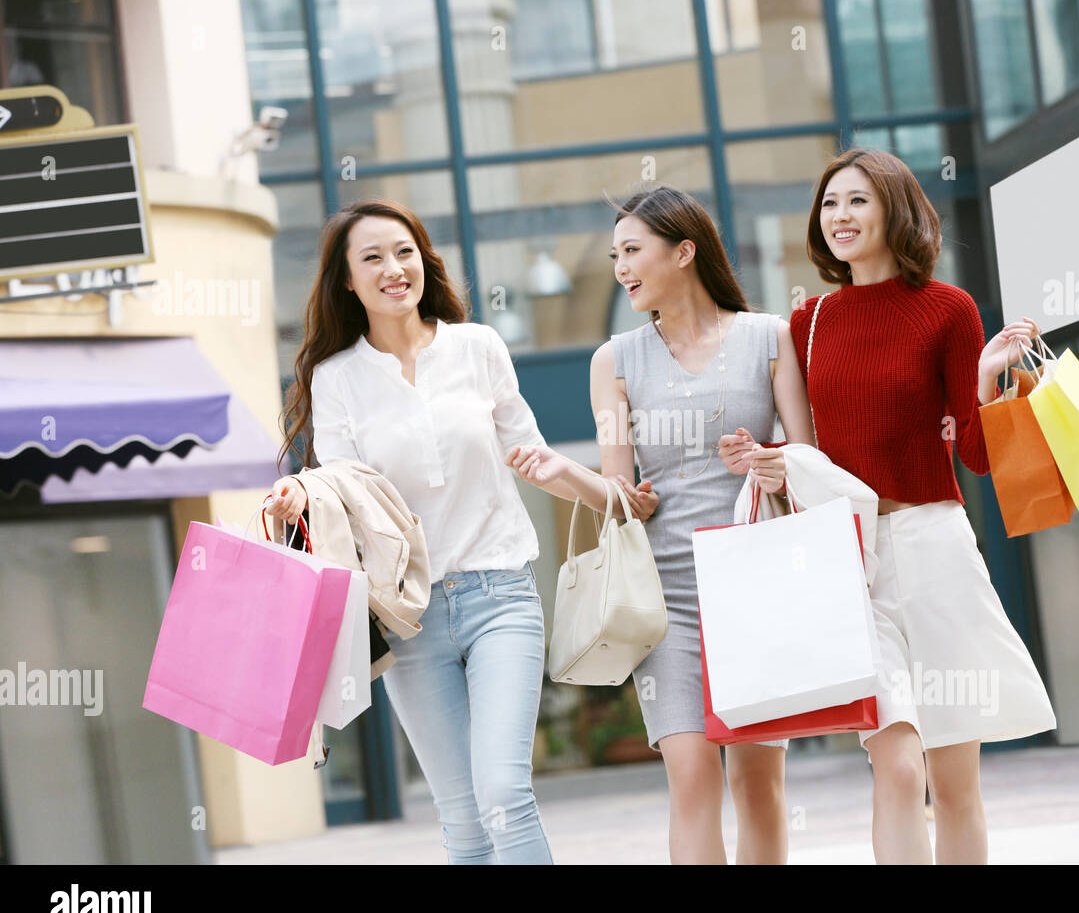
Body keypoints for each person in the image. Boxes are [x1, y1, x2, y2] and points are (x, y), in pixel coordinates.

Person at [506, 185, 815, 864]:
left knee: (759, 782)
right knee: (692, 777)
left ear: (684, 251)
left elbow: (808, 456)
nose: (620, 266)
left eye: (633, 250)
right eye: (614, 253)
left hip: (755, 587)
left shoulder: (769, 337)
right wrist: (560, 474)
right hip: (665, 596)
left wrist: (769, 460)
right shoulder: (613, 360)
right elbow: (619, 493)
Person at [774, 148, 1058, 864]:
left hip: (934, 549)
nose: (839, 216)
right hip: (853, 563)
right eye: (830, 204)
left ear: (895, 209)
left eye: (857, 201)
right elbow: (806, 455)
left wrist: (989, 378)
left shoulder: (948, 309)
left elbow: (978, 456)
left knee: (955, 781)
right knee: (897, 768)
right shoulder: (807, 324)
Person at [266, 198, 556, 864]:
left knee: (505, 792)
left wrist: (612, 493)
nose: (394, 268)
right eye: (372, 257)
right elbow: (343, 488)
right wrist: (300, 493)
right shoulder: (335, 378)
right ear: (345, 280)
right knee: (461, 815)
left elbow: (534, 455)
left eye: (404, 251)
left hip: (501, 596)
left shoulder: (479, 348)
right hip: (409, 616)